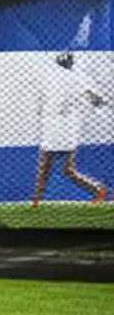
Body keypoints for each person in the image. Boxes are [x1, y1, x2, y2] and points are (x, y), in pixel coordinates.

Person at [32, 51, 107, 207]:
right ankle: (97, 190)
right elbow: (96, 99)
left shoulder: (54, 78)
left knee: (45, 166)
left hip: (57, 126)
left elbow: (94, 98)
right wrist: (96, 101)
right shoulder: (76, 78)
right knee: (66, 169)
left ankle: (36, 201)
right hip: (65, 127)